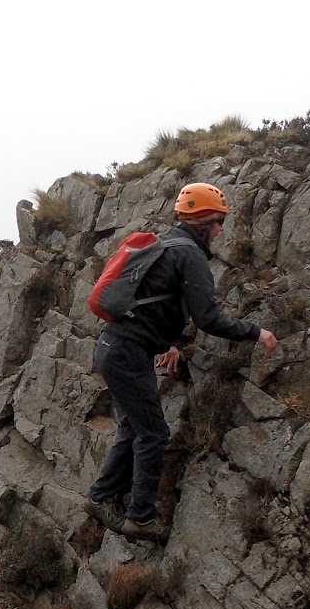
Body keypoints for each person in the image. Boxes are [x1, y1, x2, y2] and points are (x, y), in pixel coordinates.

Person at [87, 182, 278, 543]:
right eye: (219, 221)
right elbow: (208, 318)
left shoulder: (165, 244)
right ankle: (140, 518)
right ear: (204, 220)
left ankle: (101, 498)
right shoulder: (189, 255)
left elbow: (155, 302)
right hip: (127, 354)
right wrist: (256, 332)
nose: (222, 229)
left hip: (114, 347)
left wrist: (168, 342)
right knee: (154, 432)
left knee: (132, 427)